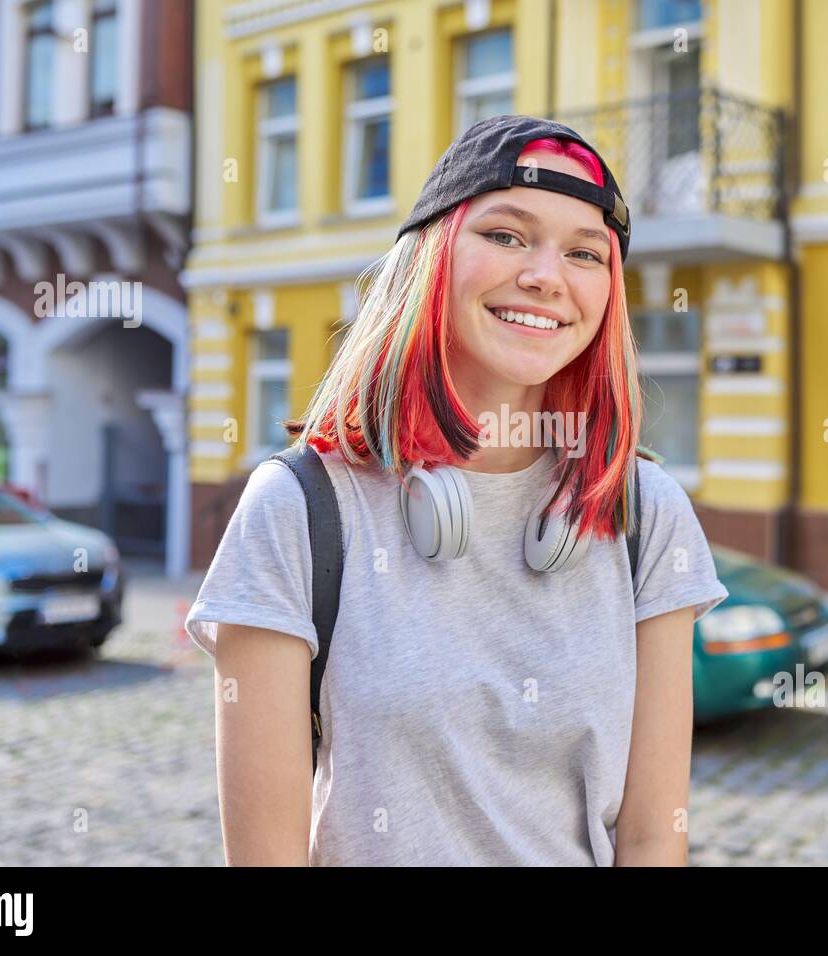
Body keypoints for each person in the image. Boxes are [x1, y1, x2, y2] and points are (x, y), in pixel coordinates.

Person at [184, 115, 728, 867]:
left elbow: (650, 836)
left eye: (584, 252)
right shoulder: (298, 510)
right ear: (431, 261)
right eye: (506, 235)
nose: (547, 276)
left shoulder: (645, 512)